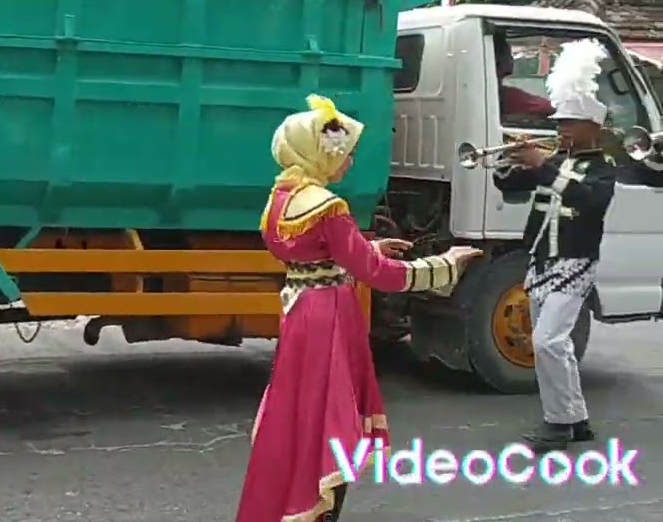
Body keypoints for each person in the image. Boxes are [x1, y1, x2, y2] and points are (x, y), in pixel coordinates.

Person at [234, 94, 483, 522]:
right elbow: (379, 275)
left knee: (300, 413)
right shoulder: (329, 206)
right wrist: (445, 265)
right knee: (328, 418)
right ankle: (316, 508)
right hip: (330, 315)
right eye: (344, 154)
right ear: (318, 151)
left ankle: (292, 502)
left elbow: (309, 255)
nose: (348, 163)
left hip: (300, 311)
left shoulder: (281, 198)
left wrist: (365, 247)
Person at [493, 39, 616, 453]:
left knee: (547, 342)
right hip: (541, 262)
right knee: (553, 344)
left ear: (591, 127)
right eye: (559, 121)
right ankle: (576, 419)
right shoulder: (554, 160)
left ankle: (557, 424)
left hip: (575, 264)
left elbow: (587, 199)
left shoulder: (602, 169)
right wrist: (509, 160)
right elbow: (508, 185)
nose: (560, 128)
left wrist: (541, 164)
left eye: (568, 123)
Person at [495, 35, 556, 119]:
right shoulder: (509, 97)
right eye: (509, 56)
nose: (511, 60)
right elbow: (549, 108)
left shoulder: (505, 96)